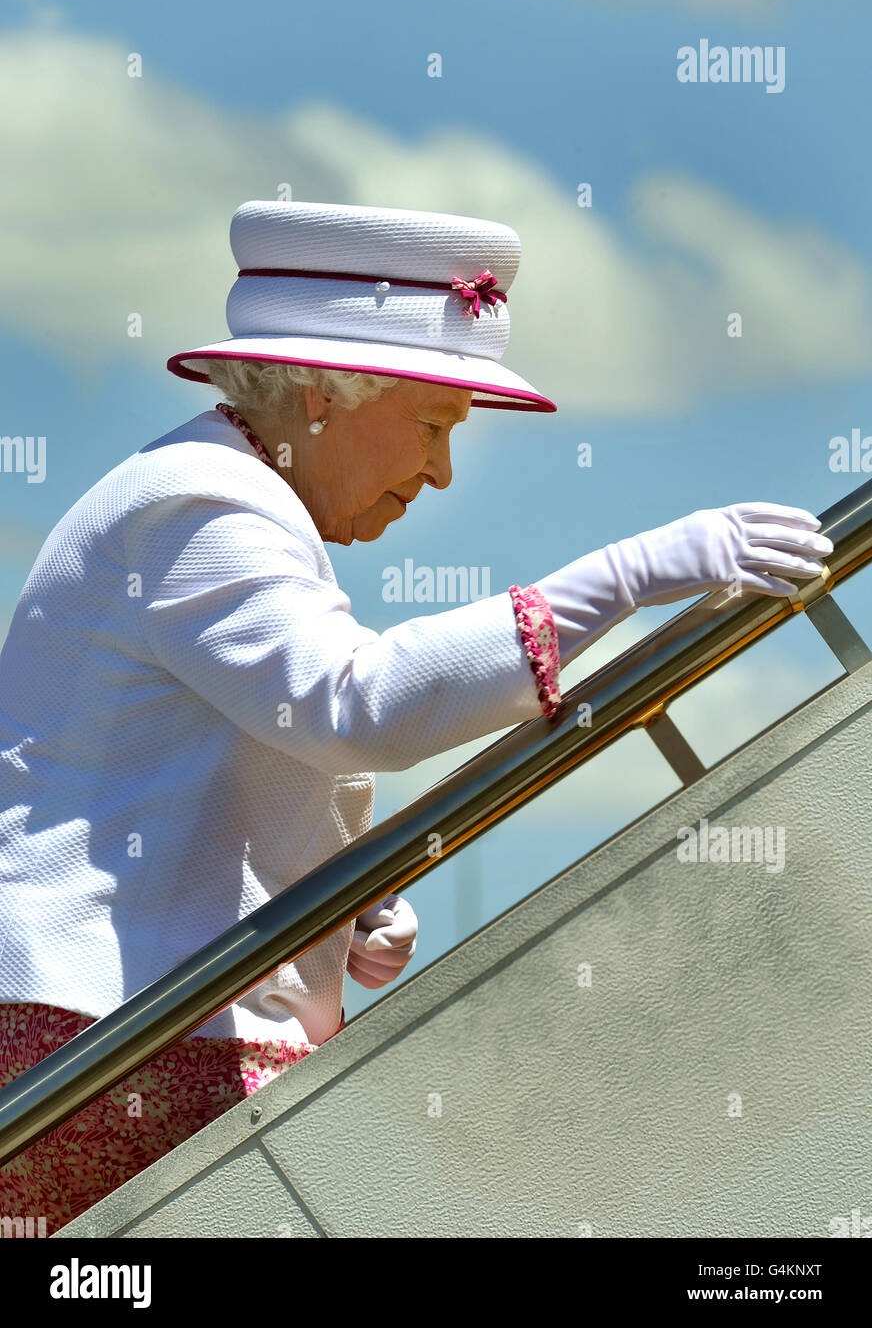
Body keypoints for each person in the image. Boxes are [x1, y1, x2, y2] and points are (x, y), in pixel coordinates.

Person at [0, 200, 833, 1233]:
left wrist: (330, 899)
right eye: (435, 425)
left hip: (135, 1048)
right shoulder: (201, 503)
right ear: (323, 395)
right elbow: (356, 704)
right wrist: (623, 576)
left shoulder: (214, 493)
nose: (439, 472)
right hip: (119, 1058)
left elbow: (192, 769)